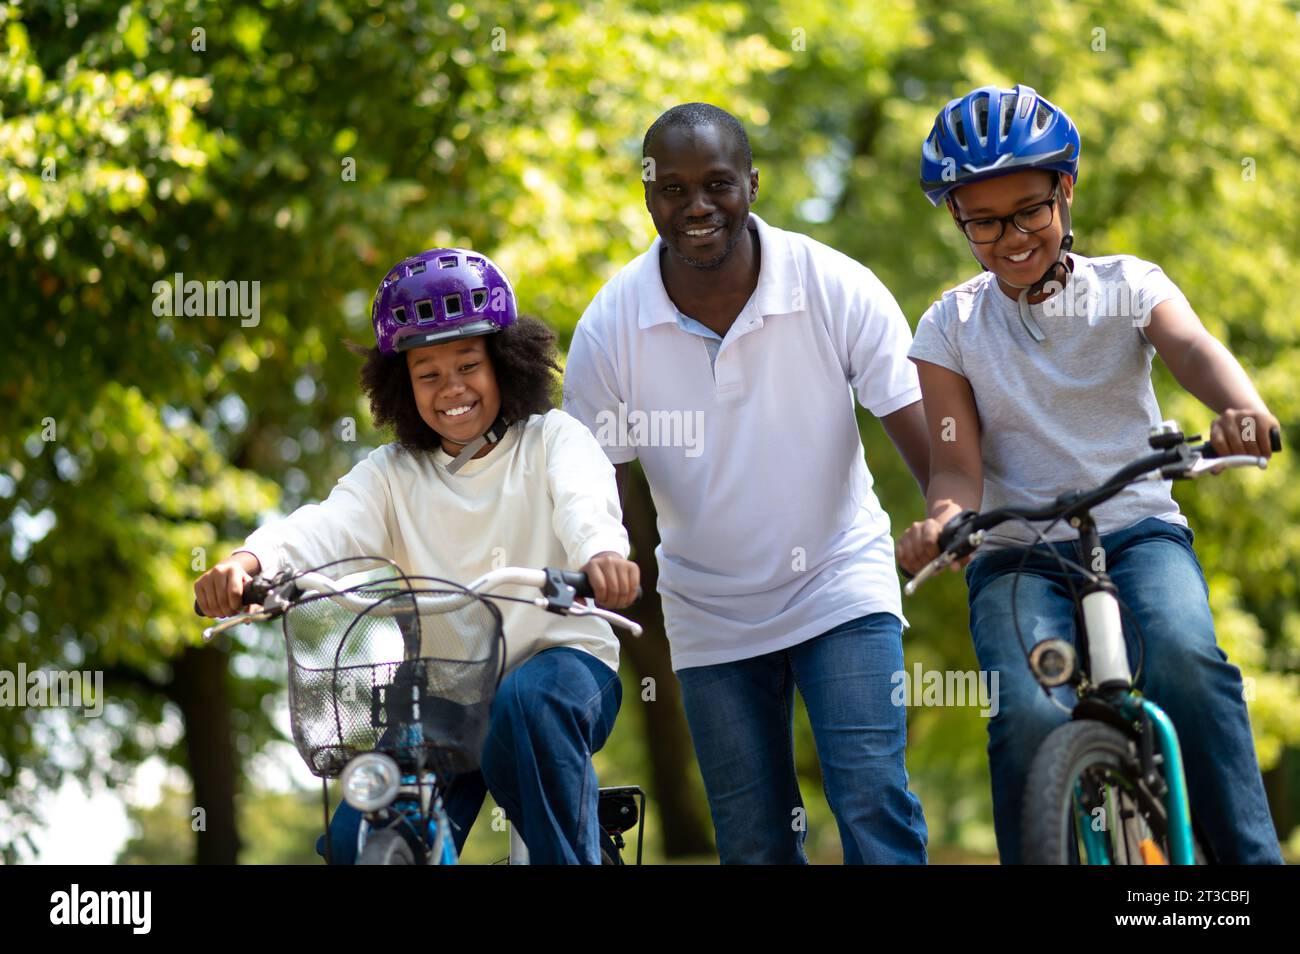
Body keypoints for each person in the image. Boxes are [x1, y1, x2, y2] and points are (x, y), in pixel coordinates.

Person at [897, 83, 1283, 863]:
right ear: (957, 219)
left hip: (1137, 529)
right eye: (984, 220)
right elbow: (954, 461)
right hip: (1014, 552)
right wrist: (942, 524)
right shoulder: (949, 326)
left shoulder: (1128, 285)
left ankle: (1250, 863)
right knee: (1028, 715)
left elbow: (1191, 350)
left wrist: (1242, 408)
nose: (1010, 236)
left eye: (1029, 210)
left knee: (1185, 659)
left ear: (1065, 190)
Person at [563, 102, 931, 864]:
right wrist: (611, 561)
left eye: (718, 183)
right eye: (673, 188)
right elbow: (599, 482)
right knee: (754, 836)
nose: (696, 206)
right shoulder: (609, 325)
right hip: (711, 612)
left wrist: (953, 515)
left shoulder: (833, 284)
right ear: (648, 198)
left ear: (753, 185)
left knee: (873, 803)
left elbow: (922, 427)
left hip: (840, 584)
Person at [194, 247, 640, 864]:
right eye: (427, 374)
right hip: (448, 690)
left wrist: (601, 557)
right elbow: (323, 527)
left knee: (527, 705)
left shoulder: (552, 439)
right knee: (363, 831)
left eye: (468, 365)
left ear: (504, 364)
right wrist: (249, 564)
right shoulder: (391, 475)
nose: (451, 388)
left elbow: (584, 503)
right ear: (401, 386)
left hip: (564, 669)